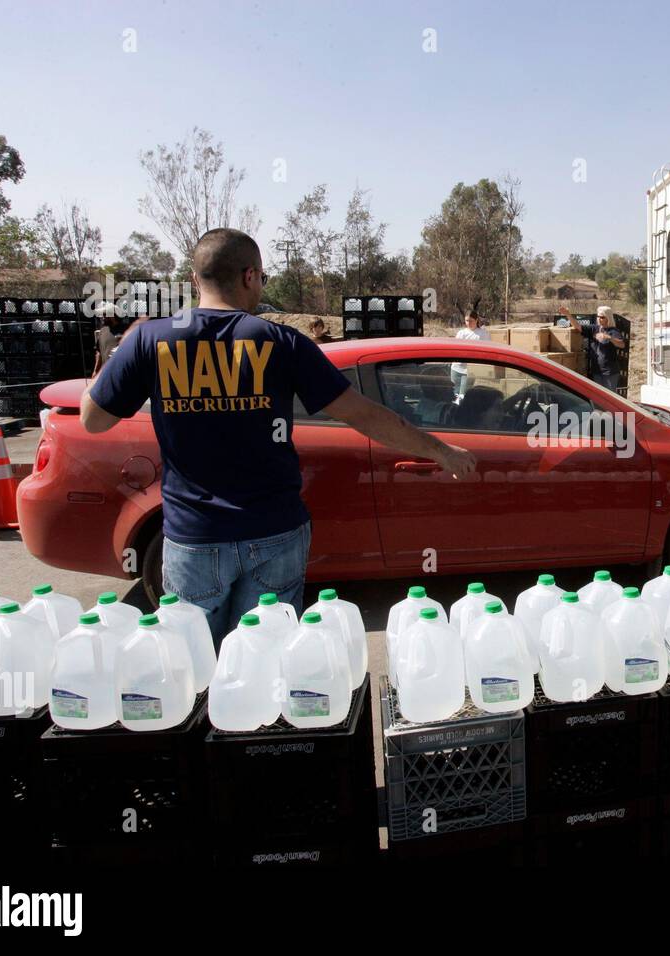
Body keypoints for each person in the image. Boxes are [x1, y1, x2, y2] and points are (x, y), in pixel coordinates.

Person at [80, 228, 475, 644]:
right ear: (250, 276)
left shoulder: (150, 339)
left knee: (190, 661)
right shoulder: (281, 342)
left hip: (194, 539)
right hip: (274, 533)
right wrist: (441, 451)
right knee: (268, 659)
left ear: (196, 280)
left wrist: (118, 350)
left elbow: (94, 419)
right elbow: (363, 415)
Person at [560, 304, 625, 390]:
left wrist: (608, 337)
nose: (599, 319)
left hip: (609, 372)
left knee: (609, 396)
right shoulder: (594, 329)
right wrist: (568, 314)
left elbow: (622, 344)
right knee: (598, 397)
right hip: (596, 370)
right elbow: (578, 327)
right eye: (598, 316)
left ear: (608, 318)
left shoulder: (613, 331)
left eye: (602, 317)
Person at [450, 308, 489, 400]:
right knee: (454, 395)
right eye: (467, 321)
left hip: (469, 370)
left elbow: (487, 349)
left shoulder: (482, 334)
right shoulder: (461, 333)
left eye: (471, 321)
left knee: (463, 396)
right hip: (456, 368)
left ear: (476, 320)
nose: (469, 323)